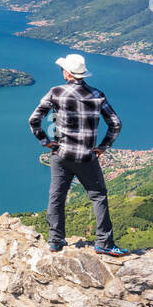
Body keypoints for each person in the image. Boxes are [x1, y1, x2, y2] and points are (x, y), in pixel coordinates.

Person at [27, 53, 128, 255]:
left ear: (67, 72)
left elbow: (34, 120)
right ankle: (104, 244)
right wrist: (103, 146)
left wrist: (46, 142)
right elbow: (115, 124)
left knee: (57, 196)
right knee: (98, 196)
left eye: (63, 69)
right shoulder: (97, 95)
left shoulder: (56, 92)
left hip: (61, 155)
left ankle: (55, 240)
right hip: (86, 157)